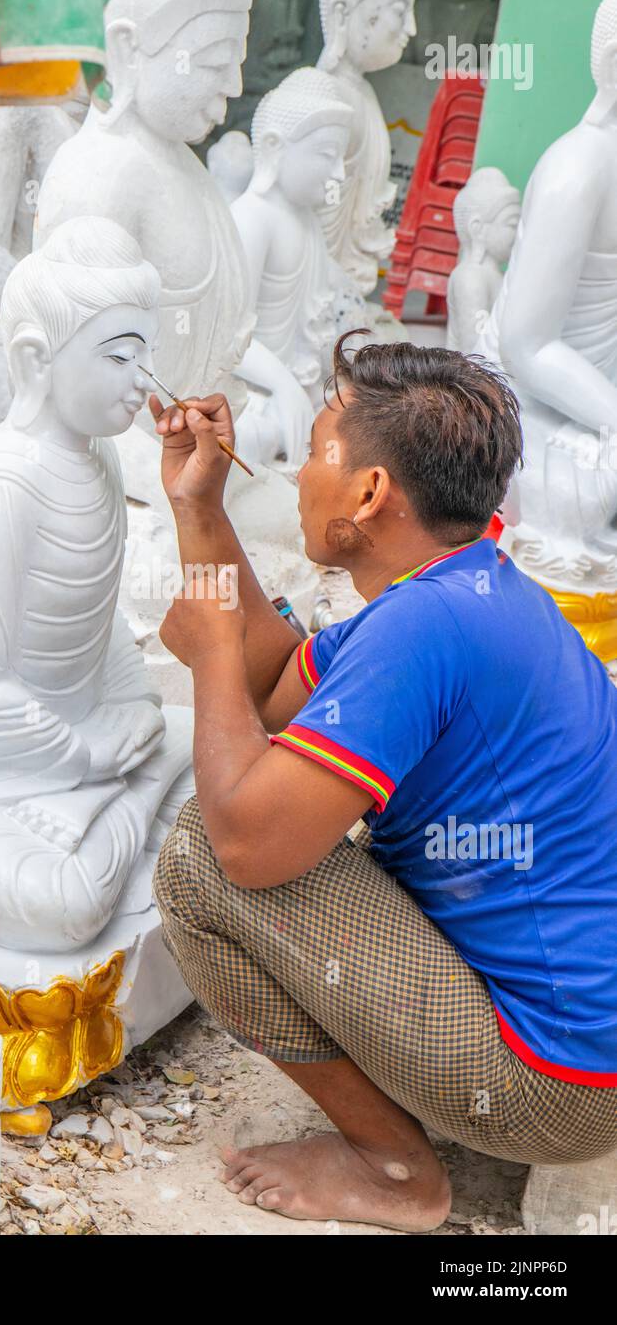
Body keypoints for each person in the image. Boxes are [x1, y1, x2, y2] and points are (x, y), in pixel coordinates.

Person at [149, 332, 617, 1231]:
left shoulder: (419, 631)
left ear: (369, 493)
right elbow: (273, 681)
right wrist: (197, 505)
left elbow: (248, 841)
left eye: (319, 451)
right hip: (589, 1039)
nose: (297, 475)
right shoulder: (466, 586)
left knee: (202, 859)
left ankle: (398, 1171)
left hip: (560, 1087)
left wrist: (206, 660)